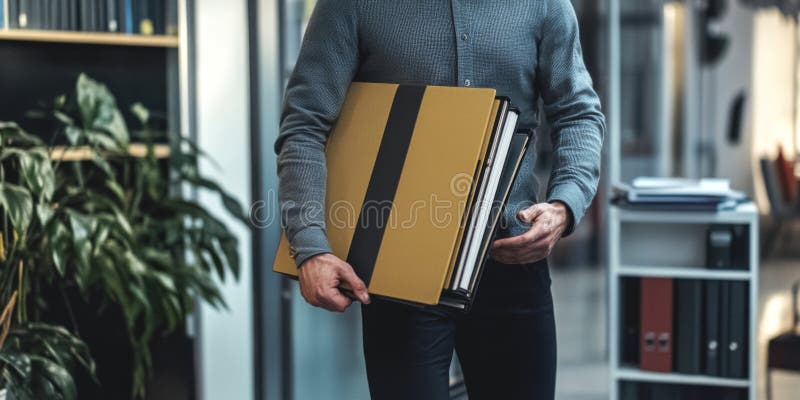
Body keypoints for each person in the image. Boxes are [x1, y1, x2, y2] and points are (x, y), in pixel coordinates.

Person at [275, 1, 605, 399]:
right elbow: (304, 126)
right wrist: (310, 246)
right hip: (400, 267)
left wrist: (564, 205)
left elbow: (578, 113)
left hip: (511, 254)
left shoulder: (544, 5)